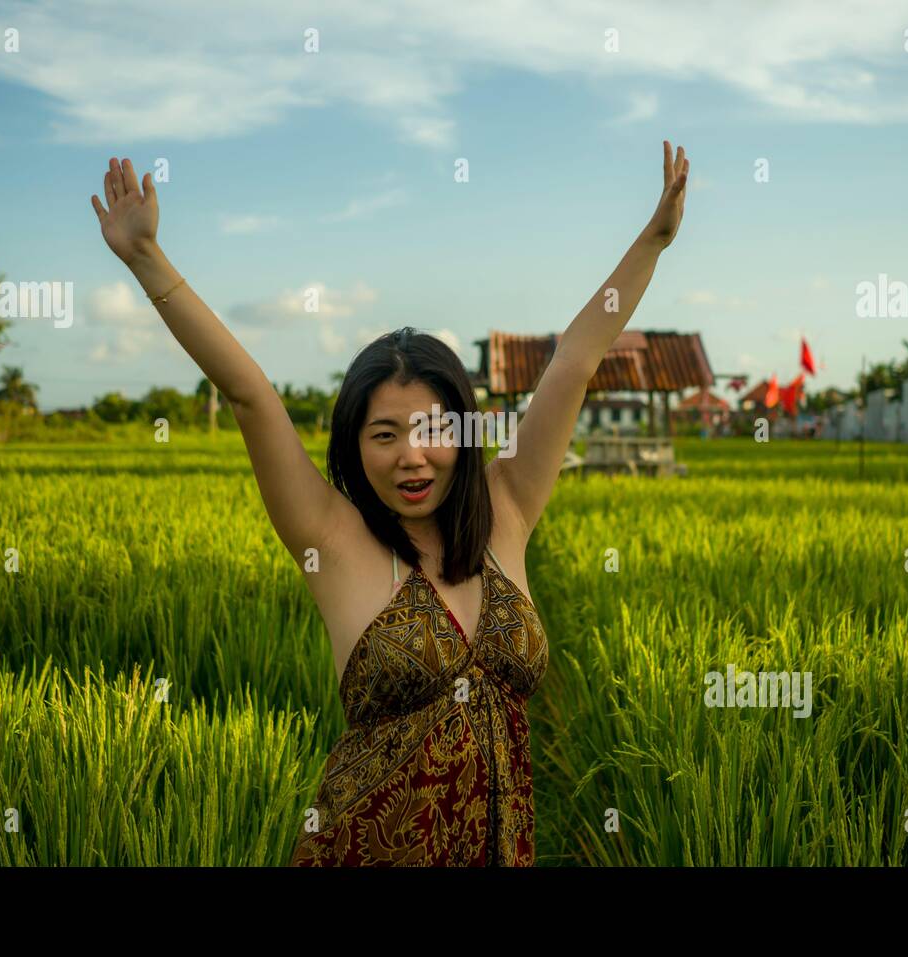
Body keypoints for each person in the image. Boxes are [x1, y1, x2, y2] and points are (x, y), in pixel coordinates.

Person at [90, 142, 690, 865]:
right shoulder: (335, 539)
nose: (411, 453)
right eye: (385, 433)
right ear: (355, 444)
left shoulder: (509, 504)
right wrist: (145, 257)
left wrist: (652, 242)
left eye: (433, 428)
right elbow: (250, 393)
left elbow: (573, 362)